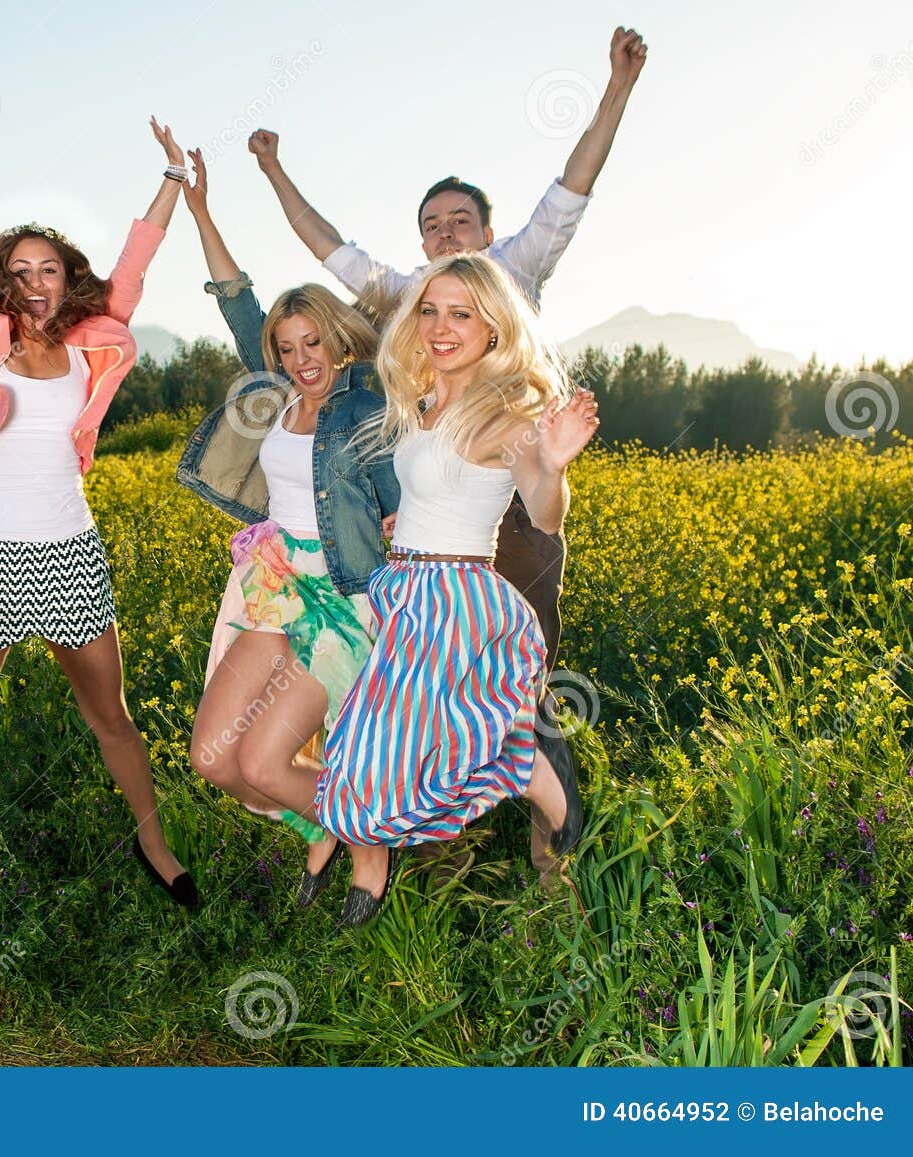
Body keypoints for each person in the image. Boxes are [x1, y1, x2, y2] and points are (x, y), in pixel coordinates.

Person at [0, 85, 194, 938]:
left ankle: (154, 843)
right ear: (1, 281)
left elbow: (136, 265)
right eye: (16, 271)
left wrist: (172, 175)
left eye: (46, 269)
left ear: (67, 279)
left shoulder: (97, 336)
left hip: (70, 552)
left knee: (112, 716)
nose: (30, 282)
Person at [248, 25, 647, 669]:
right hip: (433, 515)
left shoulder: (518, 266)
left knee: (517, 674)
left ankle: (531, 767)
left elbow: (572, 188)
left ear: (488, 232)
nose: (445, 233)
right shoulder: (408, 297)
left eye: (460, 219)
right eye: (431, 226)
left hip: (514, 496)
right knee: (429, 678)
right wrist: (273, 170)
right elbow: (327, 247)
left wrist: (617, 87)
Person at [227, 252, 594, 927]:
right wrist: (406, 520)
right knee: (366, 763)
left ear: (494, 326)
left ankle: (535, 779)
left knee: (376, 767)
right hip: (409, 585)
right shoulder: (425, 400)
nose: (439, 326)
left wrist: (553, 464)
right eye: (430, 309)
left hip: (453, 600)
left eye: (461, 314)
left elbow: (542, 511)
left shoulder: (502, 411)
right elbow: (441, 484)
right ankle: (524, 765)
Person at [172, 147, 400, 911]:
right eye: (287, 346)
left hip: (338, 604)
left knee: (266, 762)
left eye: (314, 343)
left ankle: (366, 842)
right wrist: (201, 208)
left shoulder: (367, 407)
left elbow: (400, 509)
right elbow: (237, 300)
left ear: (340, 340)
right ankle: (331, 816)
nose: (301, 359)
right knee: (214, 757)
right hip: (272, 589)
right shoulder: (275, 392)